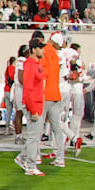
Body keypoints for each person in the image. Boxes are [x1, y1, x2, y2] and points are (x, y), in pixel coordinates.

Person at [16, 44, 47, 177]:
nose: (43, 50)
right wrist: (32, 109)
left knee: (35, 135)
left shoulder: (35, 64)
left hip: (37, 103)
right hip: (33, 103)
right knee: (34, 137)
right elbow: (27, 89)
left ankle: (23, 157)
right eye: (40, 47)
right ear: (34, 49)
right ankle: (31, 165)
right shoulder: (29, 64)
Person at [39, 31, 69, 168]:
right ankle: (60, 157)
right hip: (56, 92)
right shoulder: (56, 56)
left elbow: (44, 74)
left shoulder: (45, 52)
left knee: (38, 127)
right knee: (57, 128)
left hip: (46, 94)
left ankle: (33, 157)